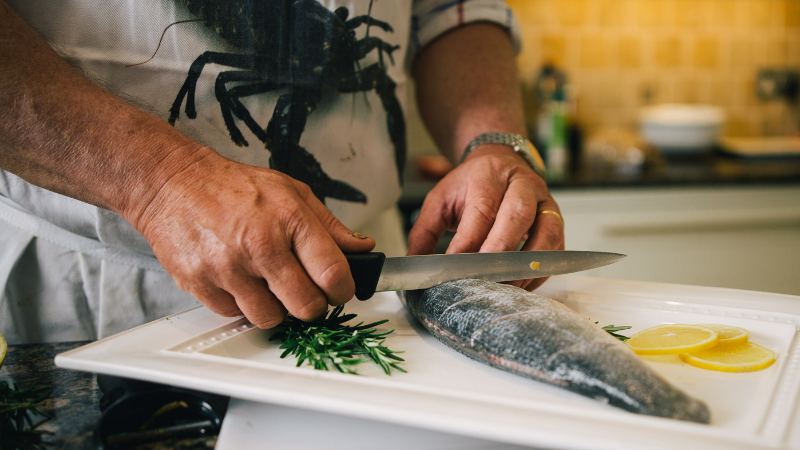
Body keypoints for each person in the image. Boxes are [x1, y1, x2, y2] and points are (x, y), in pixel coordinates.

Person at [0, 0, 564, 344]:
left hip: (367, 271)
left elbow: (453, 8)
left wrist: (492, 142)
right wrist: (162, 181)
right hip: (87, 284)